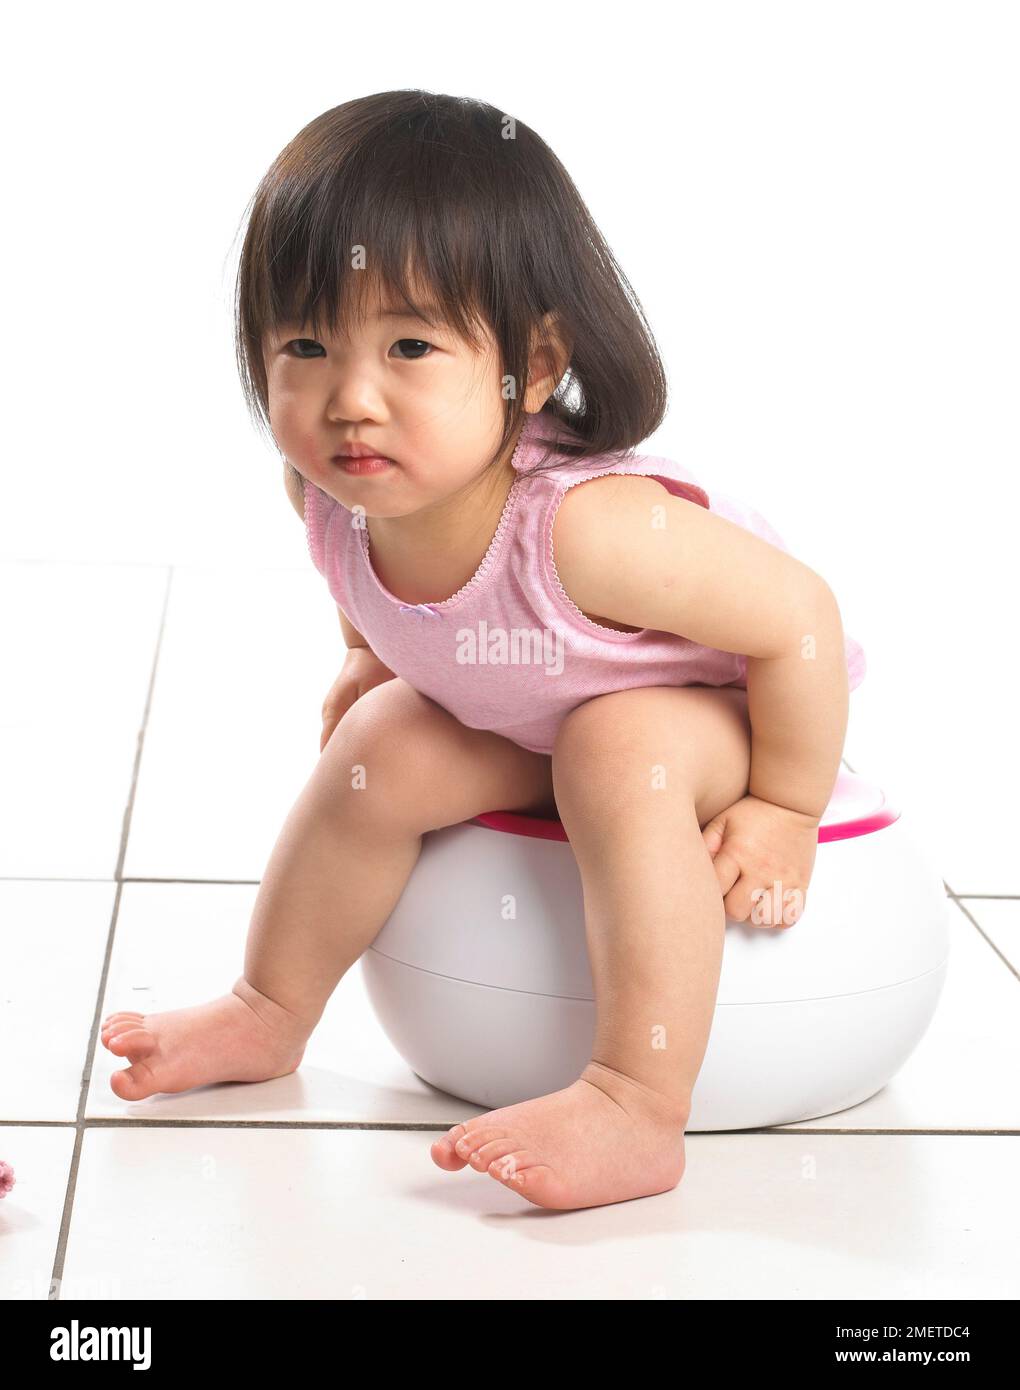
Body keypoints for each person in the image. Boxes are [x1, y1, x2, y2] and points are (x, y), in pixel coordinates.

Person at [101, 90, 865, 1212]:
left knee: (616, 746)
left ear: (534, 364)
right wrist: (370, 654)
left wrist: (787, 807)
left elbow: (801, 618)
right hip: (535, 713)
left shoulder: (591, 532)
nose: (350, 401)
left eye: (409, 345)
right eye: (306, 344)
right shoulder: (337, 490)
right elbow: (361, 591)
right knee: (382, 743)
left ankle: (637, 1103)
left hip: (722, 710)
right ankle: (268, 1008)